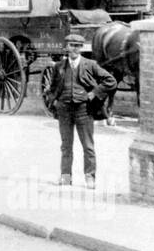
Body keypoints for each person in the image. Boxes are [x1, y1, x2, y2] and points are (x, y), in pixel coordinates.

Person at [46, 33, 117, 188]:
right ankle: (66, 176)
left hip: (83, 110)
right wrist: (55, 101)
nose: (74, 49)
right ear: (66, 47)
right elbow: (52, 88)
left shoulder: (90, 64)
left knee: (88, 146)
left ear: (82, 48)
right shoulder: (59, 67)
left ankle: (90, 177)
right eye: (72, 45)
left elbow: (110, 81)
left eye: (78, 46)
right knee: (66, 145)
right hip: (64, 110)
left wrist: (94, 93)